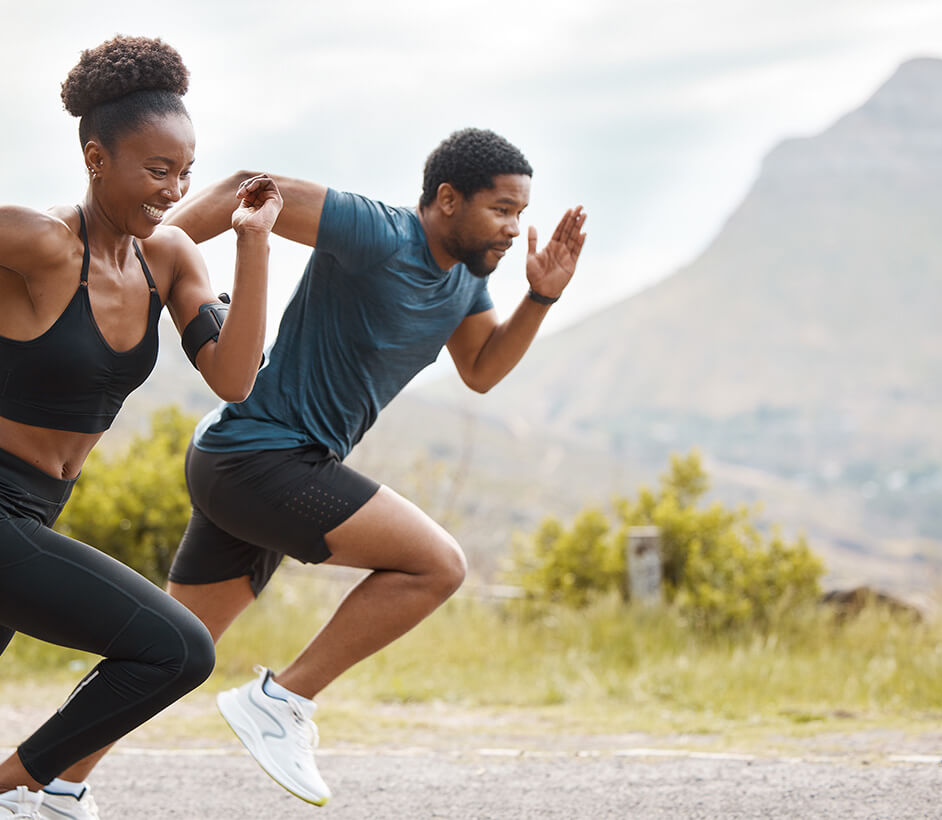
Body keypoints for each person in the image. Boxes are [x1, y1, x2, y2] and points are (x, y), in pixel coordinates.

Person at [162, 127, 586, 806]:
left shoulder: (463, 287)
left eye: (521, 214)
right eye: (501, 210)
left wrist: (540, 298)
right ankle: (282, 700)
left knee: (165, 655)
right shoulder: (378, 232)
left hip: (253, 465)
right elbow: (250, 187)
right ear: (447, 200)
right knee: (438, 565)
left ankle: (39, 780)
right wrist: (135, 259)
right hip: (263, 458)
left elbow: (479, 370)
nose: (513, 229)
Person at [0, 36, 281, 820]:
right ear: (96, 158)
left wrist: (254, 244)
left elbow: (235, 376)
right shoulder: (37, 243)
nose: (175, 188)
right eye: (157, 171)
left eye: (185, 172)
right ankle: (23, 789)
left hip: (33, 514)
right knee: (178, 648)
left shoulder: (169, 258)